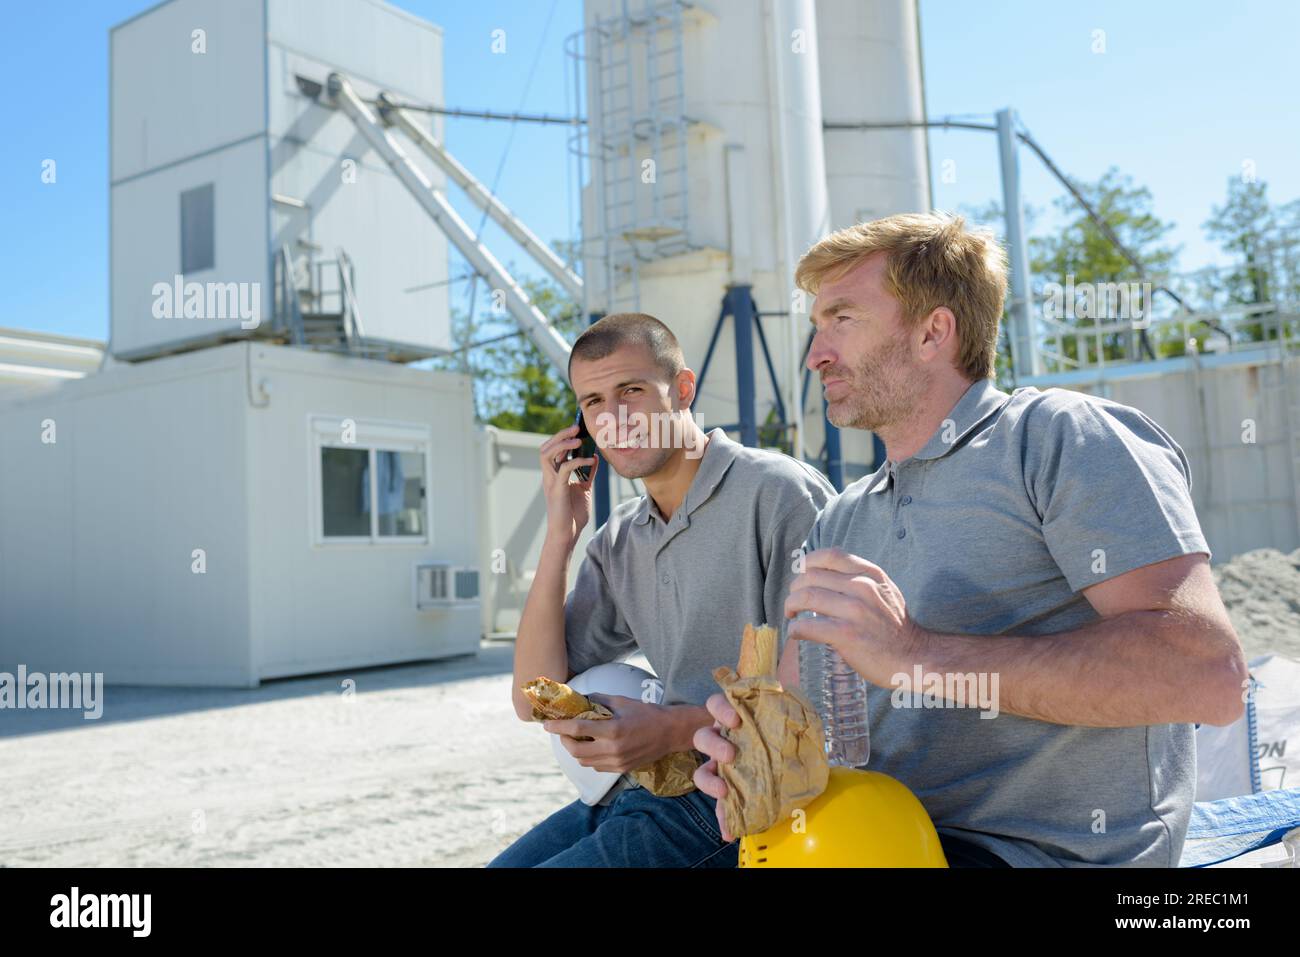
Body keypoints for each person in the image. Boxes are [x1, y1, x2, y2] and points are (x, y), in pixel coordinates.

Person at [693, 212, 1248, 867]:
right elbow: (799, 720)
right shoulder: (840, 520)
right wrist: (756, 757)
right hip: (867, 837)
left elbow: (1208, 674)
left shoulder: (1057, 437)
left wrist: (917, 654)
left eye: (842, 319)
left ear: (934, 331)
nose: (816, 354)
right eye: (816, 327)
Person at [489, 312, 835, 867]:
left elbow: (830, 696)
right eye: (594, 402)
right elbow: (534, 696)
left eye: (631, 391)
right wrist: (561, 538)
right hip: (651, 787)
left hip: (742, 798)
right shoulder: (620, 539)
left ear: (682, 390)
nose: (614, 419)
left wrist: (672, 728)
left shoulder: (778, 494)